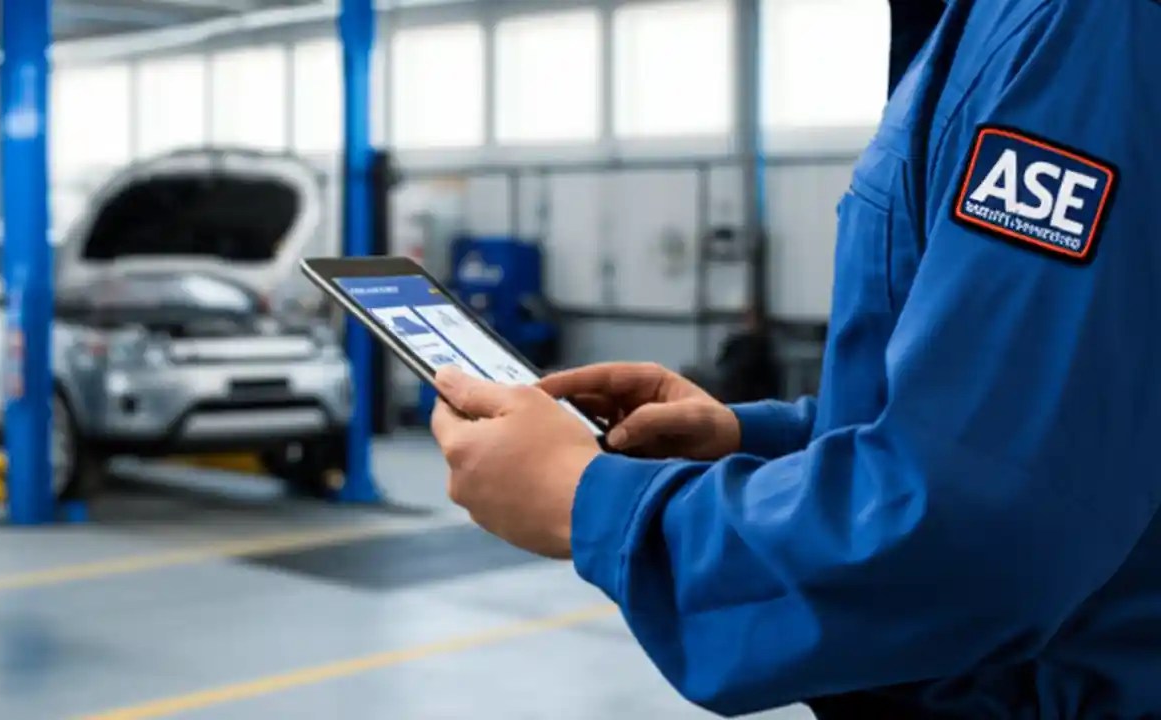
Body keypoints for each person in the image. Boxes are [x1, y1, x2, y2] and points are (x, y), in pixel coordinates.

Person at [428, 0, 1161, 717]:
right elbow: (1063, 420)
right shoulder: (975, 27)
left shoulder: (1078, 27)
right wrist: (755, 440)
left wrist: (588, 500)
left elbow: (981, 526)